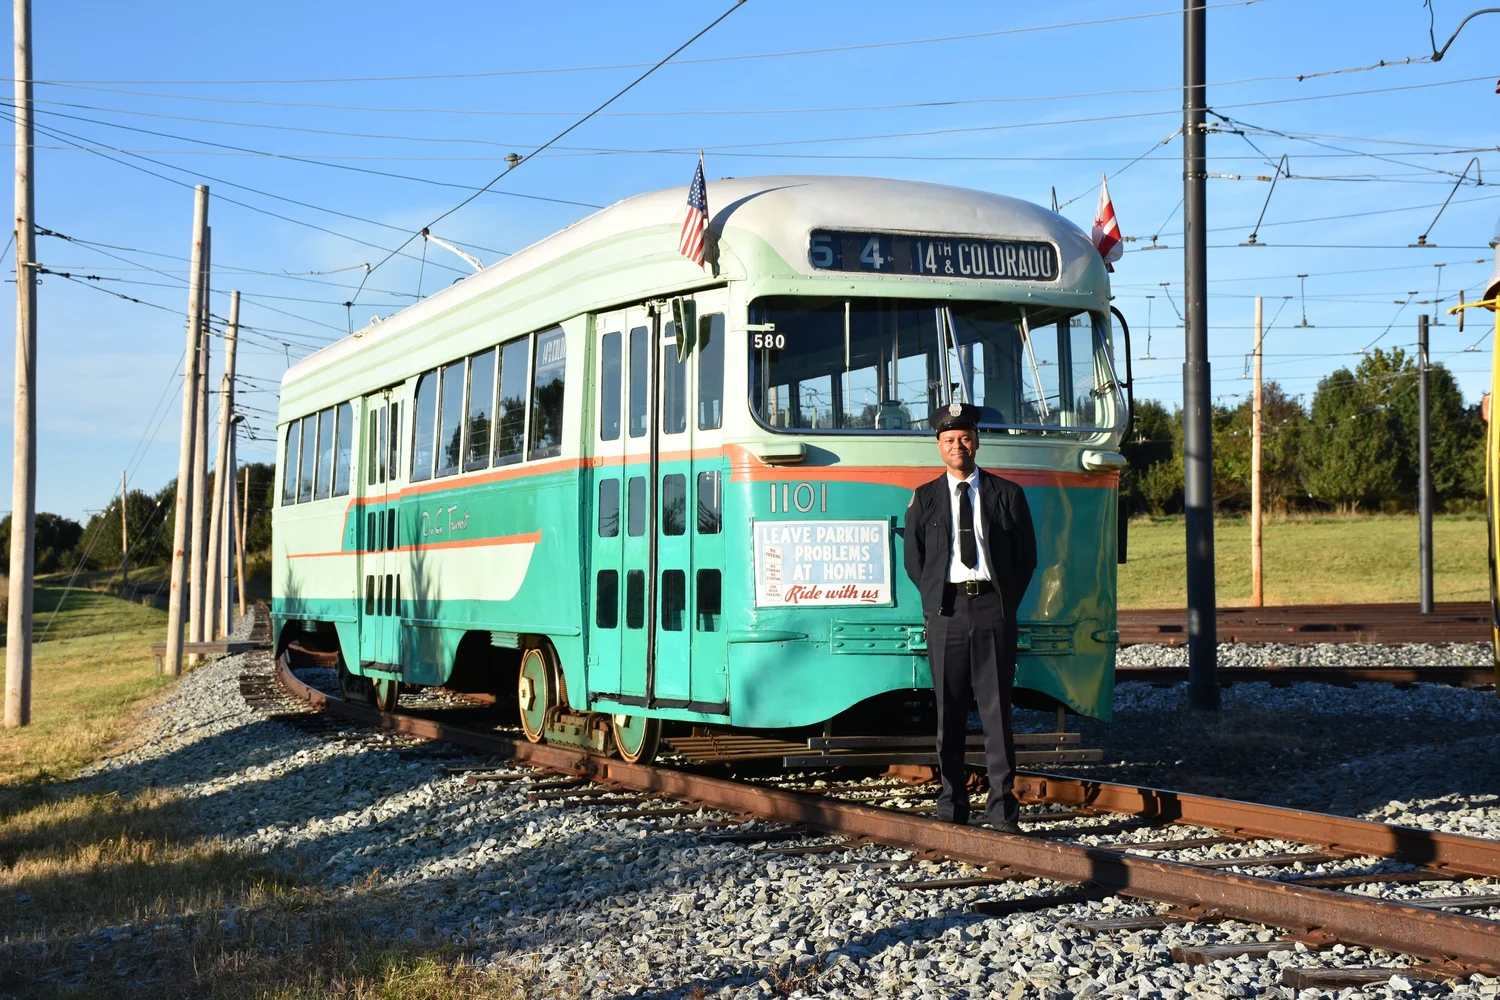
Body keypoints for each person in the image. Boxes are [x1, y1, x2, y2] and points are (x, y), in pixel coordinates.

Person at [902, 401, 1037, 833]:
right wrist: (934, 608)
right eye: (948, 440)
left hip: (993, 610)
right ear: (939, 448)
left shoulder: (1007, 494)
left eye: (964, 438)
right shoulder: (924, 498)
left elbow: (1026, 558)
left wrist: (1004, 604)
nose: (957, 445)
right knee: (950, 712)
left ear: (976, 442)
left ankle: (1002, 812)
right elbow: (914, 560)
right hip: (947, 613)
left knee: (997, 713)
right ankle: (952, 808)